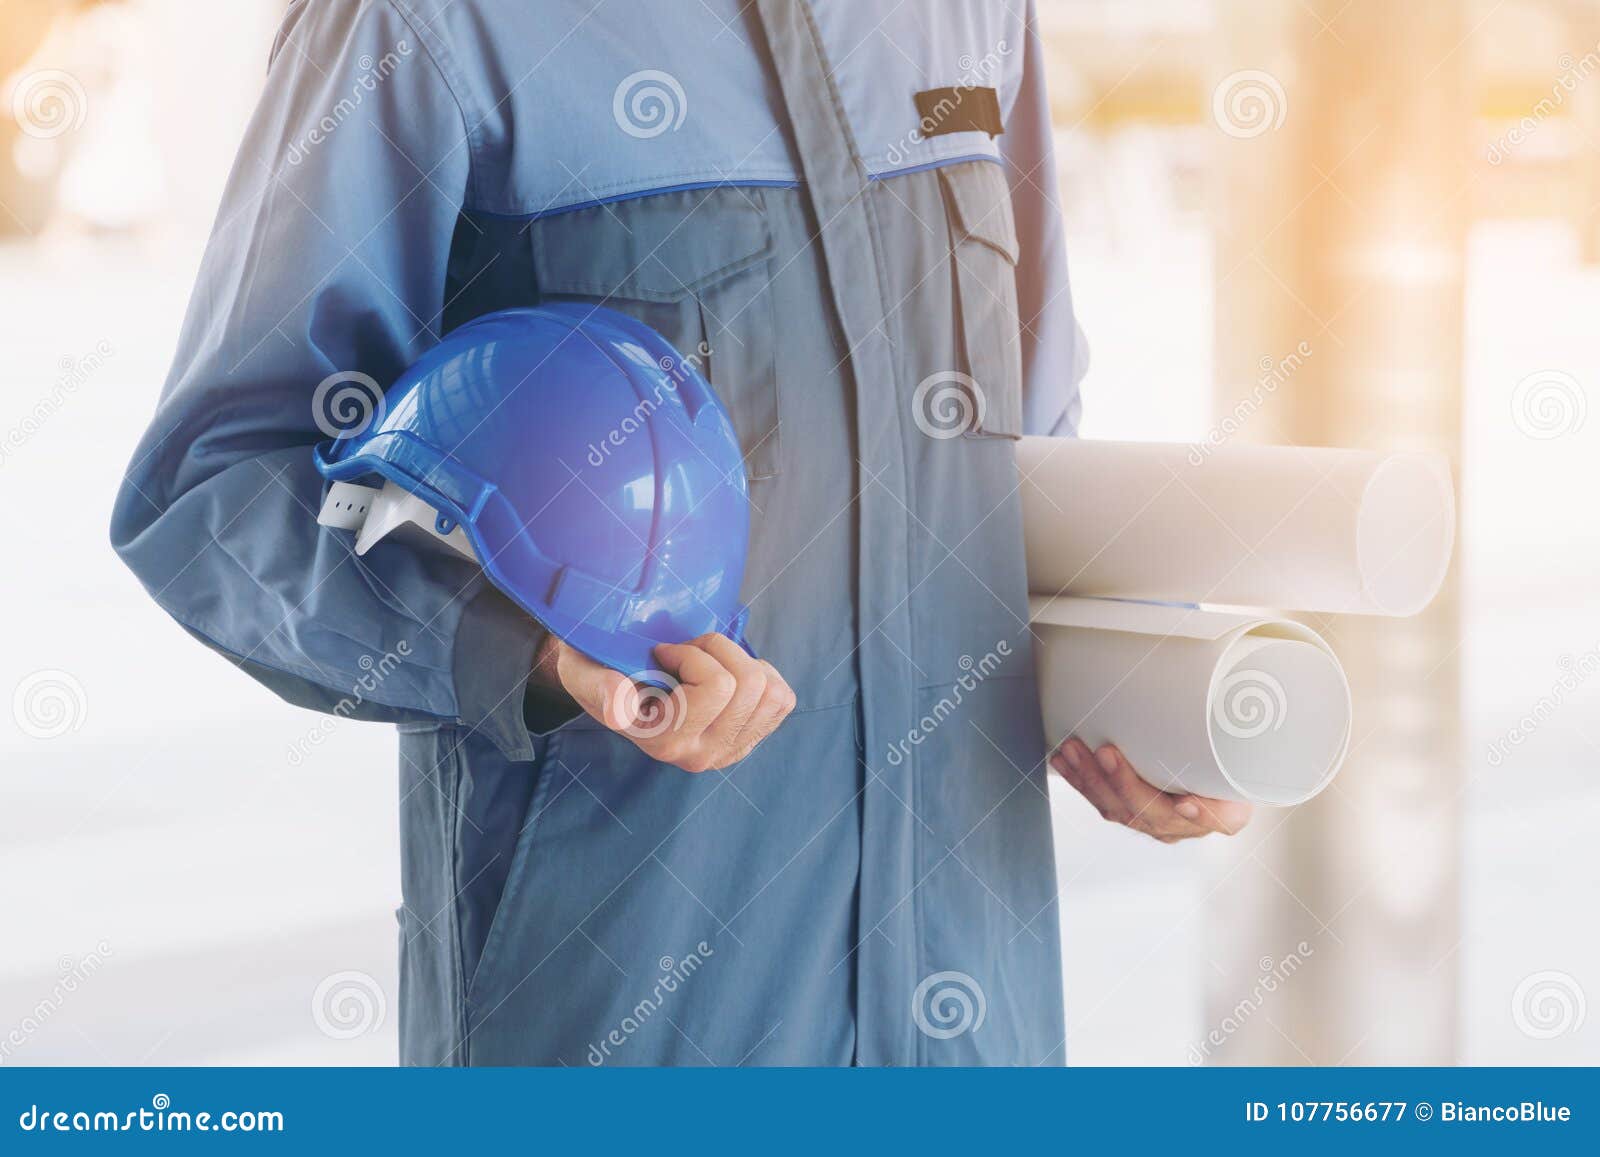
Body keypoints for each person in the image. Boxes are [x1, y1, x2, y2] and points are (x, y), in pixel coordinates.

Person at [112, 0, 1250, 1067]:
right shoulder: (430, 24)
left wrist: (1136, 686)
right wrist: (534, 657)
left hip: (973, 1012)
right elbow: (216, 489)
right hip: (630, 1025)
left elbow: (1026, 438)